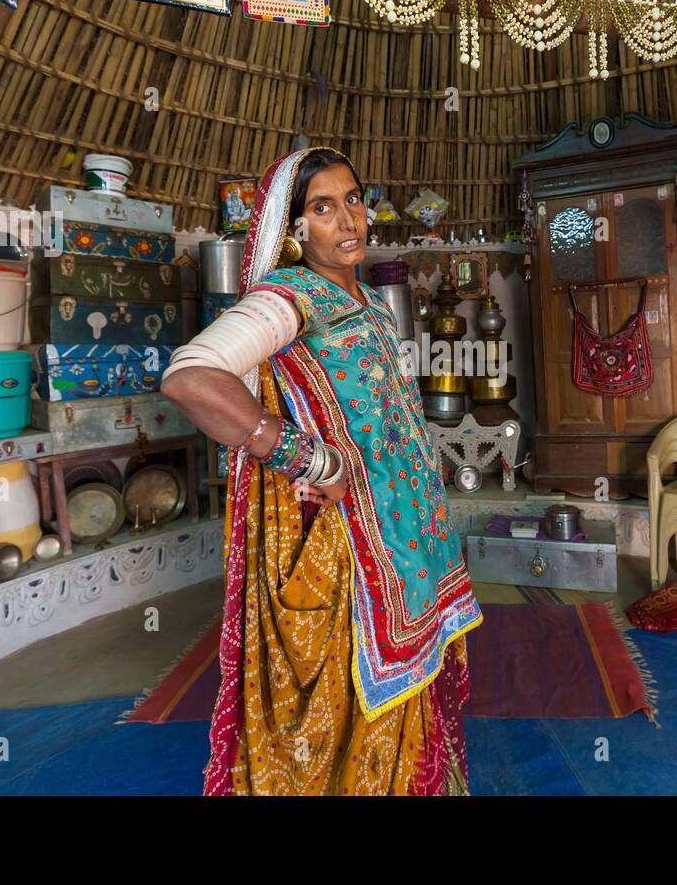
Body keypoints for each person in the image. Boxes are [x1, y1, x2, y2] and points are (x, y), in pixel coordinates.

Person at [161, 147, 482, 795]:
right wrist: (305, 456)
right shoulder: (292, 297)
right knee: (348, 727)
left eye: (355, 199)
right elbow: (191, 377)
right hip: (352, 557)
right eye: (323, 207)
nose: (349, 219)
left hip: (411, 554)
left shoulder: (369, 304)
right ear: (295, 230)